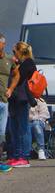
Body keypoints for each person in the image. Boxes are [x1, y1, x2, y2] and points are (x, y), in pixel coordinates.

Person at [5, 41, 37, 168]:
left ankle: (24, 156)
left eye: (14, 52)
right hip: (14, 99)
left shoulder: (28, 63)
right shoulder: (21, 63)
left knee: (23, 128)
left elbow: (18, 77)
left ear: (20, 51)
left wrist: (15, 65)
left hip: (22, 99)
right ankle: (16, 155)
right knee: (14, 128)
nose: (13, 55)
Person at [0, 33, 13, 162]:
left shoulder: (9, 59)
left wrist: (11, 88)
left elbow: (18, 73)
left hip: (4, 101)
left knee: (2, 133)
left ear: (3, 45)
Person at [29, 92, 51, 160]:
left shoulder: (41, 101)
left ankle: (41, 150)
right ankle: (27, 150)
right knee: (27, 126)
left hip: (41, 124)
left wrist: (32, 118)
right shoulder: (24, 102)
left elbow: (44, 116)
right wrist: (34, 117)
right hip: (28, 124)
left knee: (36, 124)